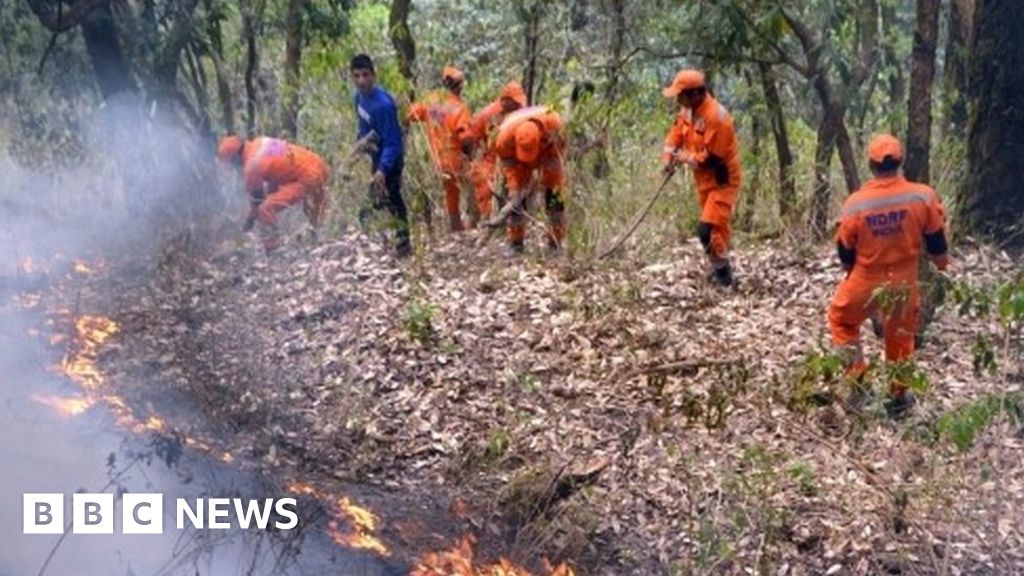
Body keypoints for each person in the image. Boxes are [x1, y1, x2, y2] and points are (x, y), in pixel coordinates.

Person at [828, 134, 950, 419]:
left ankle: (858, 384)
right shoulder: (922, 196)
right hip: (905, 279)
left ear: (871, 165)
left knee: (841, 319)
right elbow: (936, 242)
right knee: (900, 335)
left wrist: (851, 275)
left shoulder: (856, 203)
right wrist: (942, 268)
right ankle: (900, 397)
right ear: (900, 162)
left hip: (866, 277)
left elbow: (845, 249)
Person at [661, 69, 742, 287]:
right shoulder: (687, 111)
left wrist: (685, 158)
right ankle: (721, 267)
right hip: (704, 182)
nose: (677, 99)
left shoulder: (717, 117)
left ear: (694, 94)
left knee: (707, 230)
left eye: (680, 95)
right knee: (719, 229)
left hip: (722, 180)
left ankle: (724, 276)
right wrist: (668, 159)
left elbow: (710, 159)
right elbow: (675, 135)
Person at [217, 135, 329, 253]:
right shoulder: (261, 142)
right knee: (315, 211)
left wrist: (248, 223)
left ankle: (274, 251)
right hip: (318, 164)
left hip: (308, 177)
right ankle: (319, 237)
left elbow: (257, 202)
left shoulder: (252, 166)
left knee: (265, 209)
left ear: (235, 159)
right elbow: (281, 162)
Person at [350, 53, 411, 258]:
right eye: (357, 76)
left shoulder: (384, 105)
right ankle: (386, 244)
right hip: (377, 157)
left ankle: (403, 247)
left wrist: (383, 170)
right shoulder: (358, 98)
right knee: (381, 202)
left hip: (391, 159)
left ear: (374, 76)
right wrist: (360, 146)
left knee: (385, 201)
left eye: (365, 75)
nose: (361, 81)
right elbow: (365, 128)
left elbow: (393, 142)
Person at [407, 66, 475, 231]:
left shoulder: (431, 101)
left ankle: (455, 227)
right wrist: (472, 155)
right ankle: (474, 224)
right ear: (459, 85)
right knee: (475, 187)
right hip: (457, 158)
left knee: (451, 194)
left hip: (438, 160)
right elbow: (465, 137)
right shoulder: (460, 108)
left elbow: (411, 113)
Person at [493, 106, 567, 255]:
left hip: (548, 153)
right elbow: (508, 164)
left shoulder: (554, 124)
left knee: (555, 195)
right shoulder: (504, 139)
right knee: (516, 199)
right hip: (517, 163)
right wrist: (516, 188)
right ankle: (516, 243)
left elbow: (560, 152)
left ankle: (556, 242)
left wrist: (547, 177)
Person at [469, 81, 528, 220]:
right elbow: (473, 138)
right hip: (490, 161)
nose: (517, 105)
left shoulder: (521, 113)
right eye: (514, 102)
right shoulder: (487, 114)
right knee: (486, 192)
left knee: (516, 196)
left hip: (513, 161)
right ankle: (488, 225)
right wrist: (475, 162)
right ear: (505, 100)